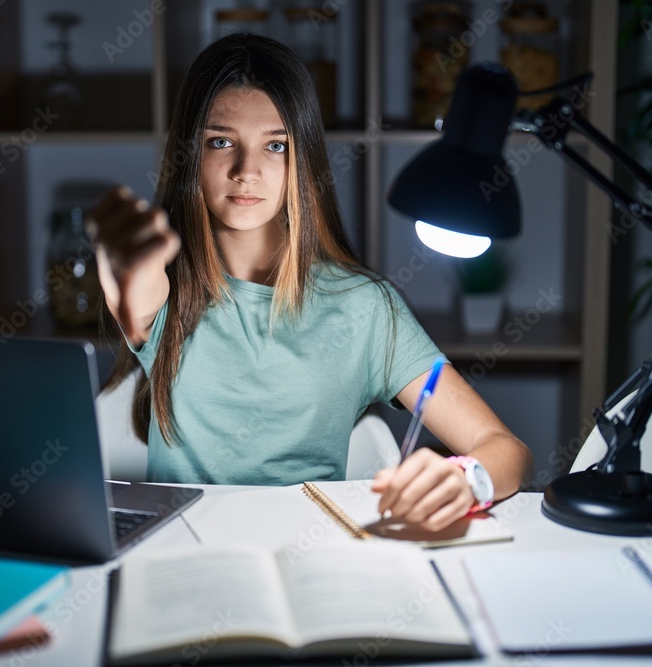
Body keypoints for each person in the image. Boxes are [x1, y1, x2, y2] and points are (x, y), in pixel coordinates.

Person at [89, 33, 532, 531]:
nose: (246, 171)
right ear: (190, 155)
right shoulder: (167, 285)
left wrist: (464, 479)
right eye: (221, 142)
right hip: (181, 556)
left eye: (275, 145)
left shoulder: (365, 308)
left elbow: (505, 450)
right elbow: (133, 281)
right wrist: (122, 249)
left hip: (313, 558)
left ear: (303, 159)